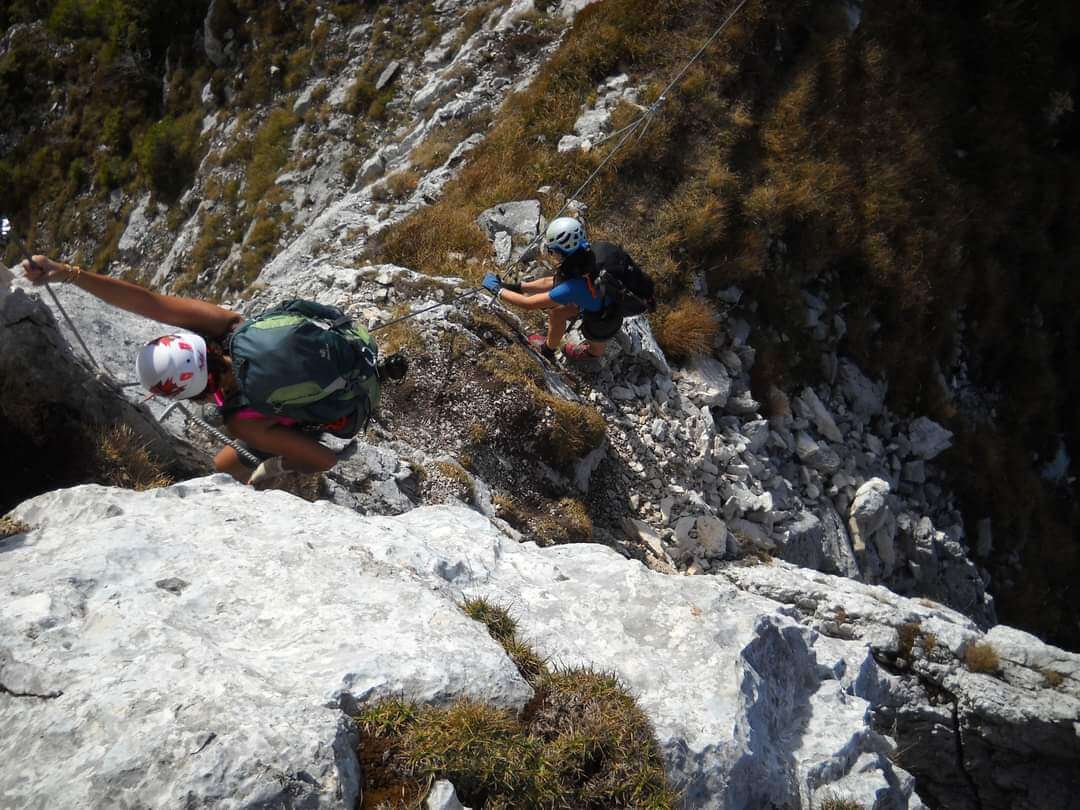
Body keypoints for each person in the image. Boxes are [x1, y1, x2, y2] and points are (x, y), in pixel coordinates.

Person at [20, 255, 403, 487]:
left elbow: (325, 460)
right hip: (353, 347)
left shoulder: (242, 420)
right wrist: (67, 272)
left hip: (349, 408)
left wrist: (276, 466)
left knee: (226, 466)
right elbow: (148, 301)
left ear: (191, 391)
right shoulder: (227, 327)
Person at [482, 217, 653, 362]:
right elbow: (553, 281)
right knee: (556, 313)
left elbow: (528, 304)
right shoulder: (592, 253)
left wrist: (498, 291)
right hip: (603, 295)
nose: (550, 254)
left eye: (551, 250)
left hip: (605, 315)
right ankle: (548, 350)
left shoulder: (573, 286)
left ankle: (592, 354)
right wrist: (518, 287)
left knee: (596, 336)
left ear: (562, 252)